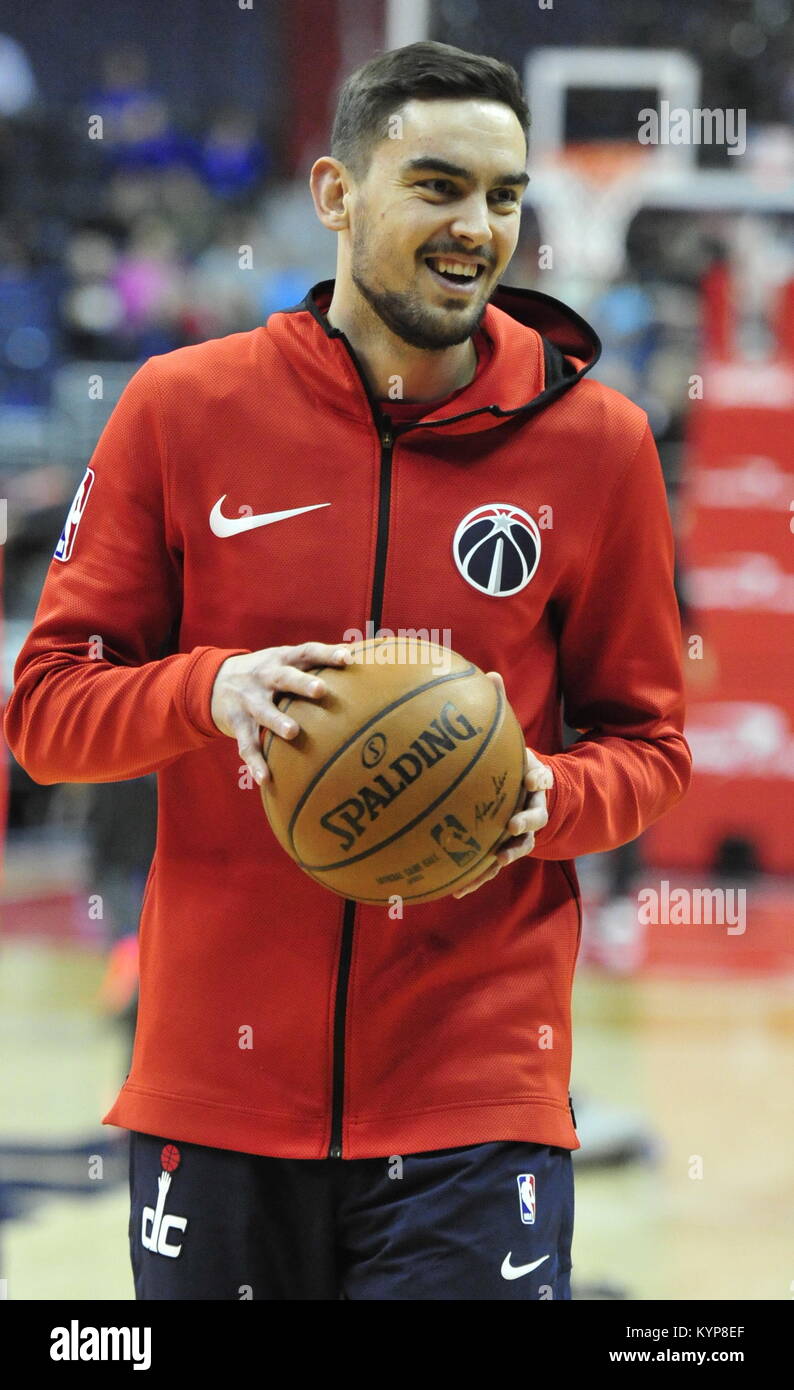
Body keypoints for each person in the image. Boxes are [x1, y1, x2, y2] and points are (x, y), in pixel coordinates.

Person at [2, 41, 691, 1301]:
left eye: (501, 195)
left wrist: (548, 797)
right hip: (213, 1087)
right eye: (434, 185)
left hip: (475, 1098)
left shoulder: (599, 445)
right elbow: (45, 715)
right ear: (334, 193)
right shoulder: (178, 407)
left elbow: (649, 745)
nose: (473, 228)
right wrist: (204, 690)